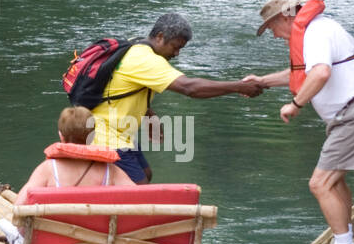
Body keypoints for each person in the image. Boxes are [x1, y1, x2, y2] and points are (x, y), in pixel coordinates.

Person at [246, 0, 354, 244]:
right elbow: (303, 73)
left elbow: (321, 73)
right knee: (334, 182)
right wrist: (261, 82)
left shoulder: (316, 32)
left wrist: (295, 104)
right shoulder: (316, 30)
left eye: (272, 28)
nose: (275, 36)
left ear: (284, 17)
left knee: (320, 183)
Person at [90, 11, 264, 183]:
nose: (177, 54)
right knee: (139, 188)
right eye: (175, 47)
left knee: (146, 174)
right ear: (159, 37)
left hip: (117, 132)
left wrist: (149, 115)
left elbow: (120, 87)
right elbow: (190, 88)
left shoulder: (133, 45)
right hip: (106, 137)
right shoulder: (146, 59)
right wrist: (238, 86)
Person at [0, 106, 135, 244]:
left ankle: (17, 242)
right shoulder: (111, 171)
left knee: (14, 226)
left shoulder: (48, 169)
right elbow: (140, 199)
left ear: (61, 135)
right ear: (93, 135)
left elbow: (19, 209)